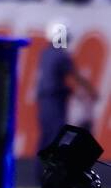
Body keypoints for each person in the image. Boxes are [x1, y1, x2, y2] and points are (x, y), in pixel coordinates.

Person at [36, 20, 98, 150]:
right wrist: (90, 90)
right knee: (55, 135)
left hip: (44, 99)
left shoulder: (45, 53)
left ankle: (40, 169)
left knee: (46, 135)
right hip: (54, 99)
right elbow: (74, 76)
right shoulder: (61, 55)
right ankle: (52, 168)